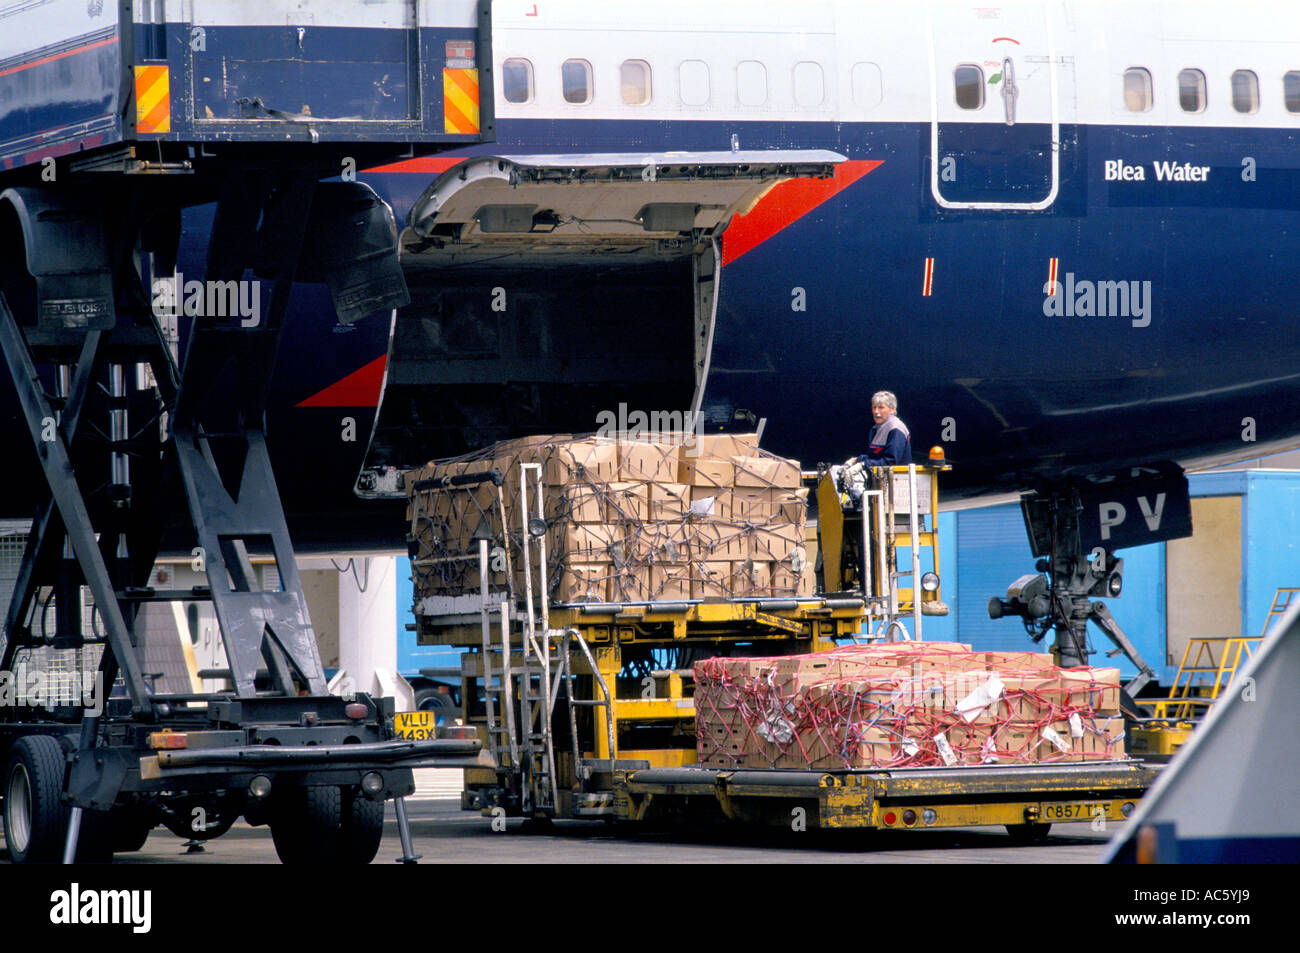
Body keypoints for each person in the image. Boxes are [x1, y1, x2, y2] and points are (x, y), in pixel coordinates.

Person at [860, 390, 911, 466]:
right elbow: (873, 457)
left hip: (898, 476)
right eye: (874, 407)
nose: (876, 411)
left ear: (892, 409)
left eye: (881, 407)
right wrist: (857, 460)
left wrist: (863, 464)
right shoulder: (878, 428)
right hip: (880, 476)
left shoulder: (896, 428)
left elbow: (891, 461)